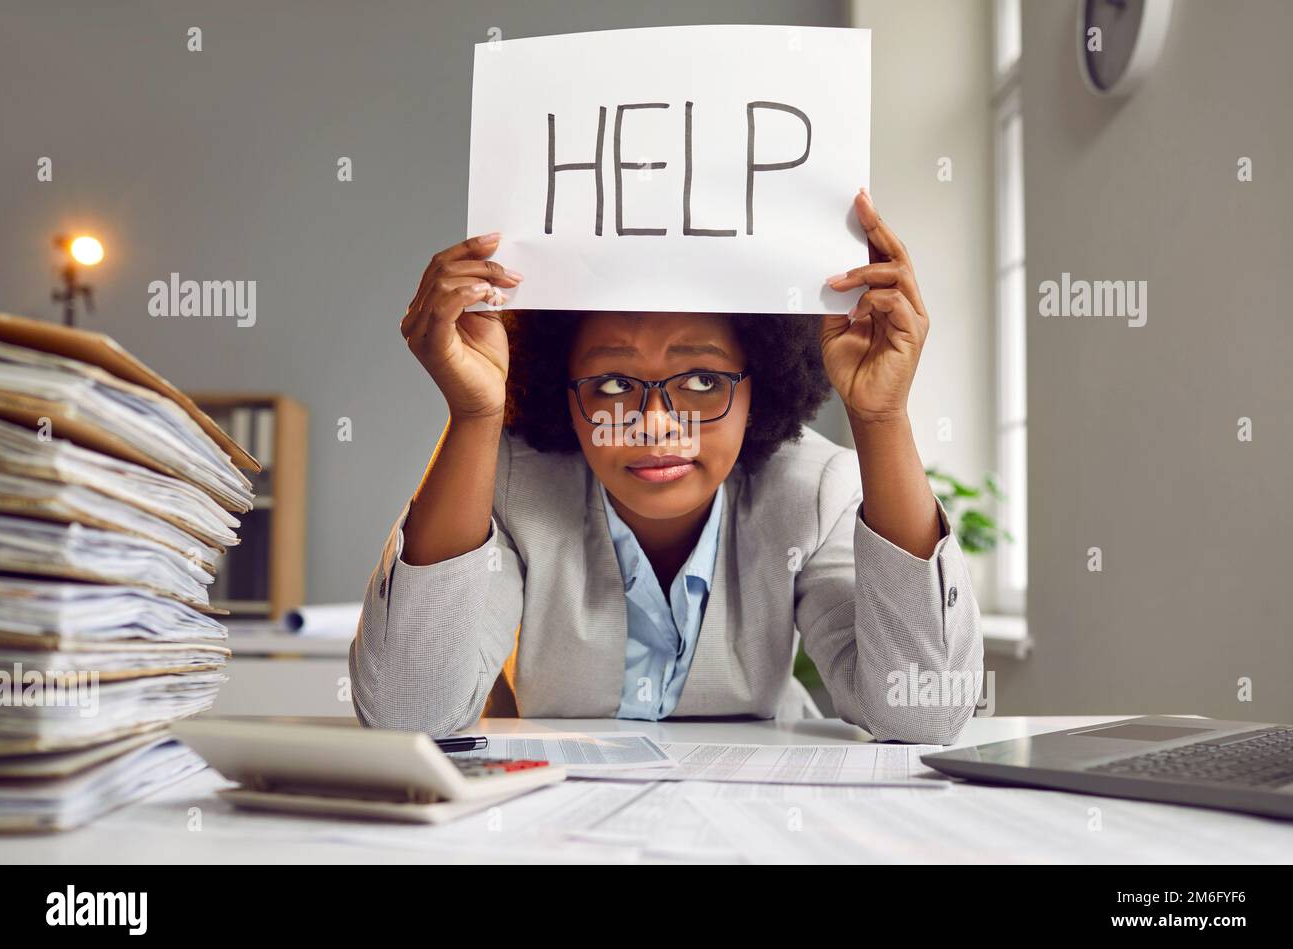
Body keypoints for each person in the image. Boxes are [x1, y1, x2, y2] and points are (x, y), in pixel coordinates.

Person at [349, 187, 983, 744]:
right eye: (613, 384)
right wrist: (473, 416)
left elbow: (921, 714)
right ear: (560, 393)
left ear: (761, 385)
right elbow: (411, 710)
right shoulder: (511, 482)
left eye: (704, 379)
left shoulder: (814, 489)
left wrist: (881, 417)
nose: (654, 424)